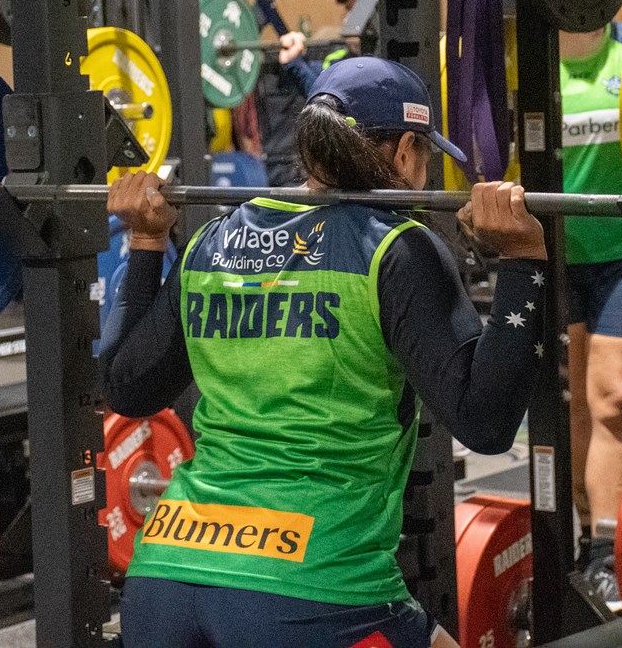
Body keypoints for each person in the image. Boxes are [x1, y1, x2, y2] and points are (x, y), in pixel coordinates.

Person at [101, 56, 548, 648]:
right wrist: (523, 260)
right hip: (313, 590)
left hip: (166, 577)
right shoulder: (396, 248)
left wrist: (146, 240)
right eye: (425, 157)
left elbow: (127, 387)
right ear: (406, 150)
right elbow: (486, 423)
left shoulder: (212, 241)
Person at [558, 21, 622, 608]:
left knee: (614, 395)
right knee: (572, 404)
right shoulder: (524, 66)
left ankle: (609, 555)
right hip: (554, 253)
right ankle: (585, 537)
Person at [278, 0, 370, 96]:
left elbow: (327, 98)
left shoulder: (379, 63)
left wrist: (295, 64)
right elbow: (319, 84)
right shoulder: (338, 57)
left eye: (357, 9)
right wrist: (295, 57)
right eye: (348, 8)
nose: (348, 17)